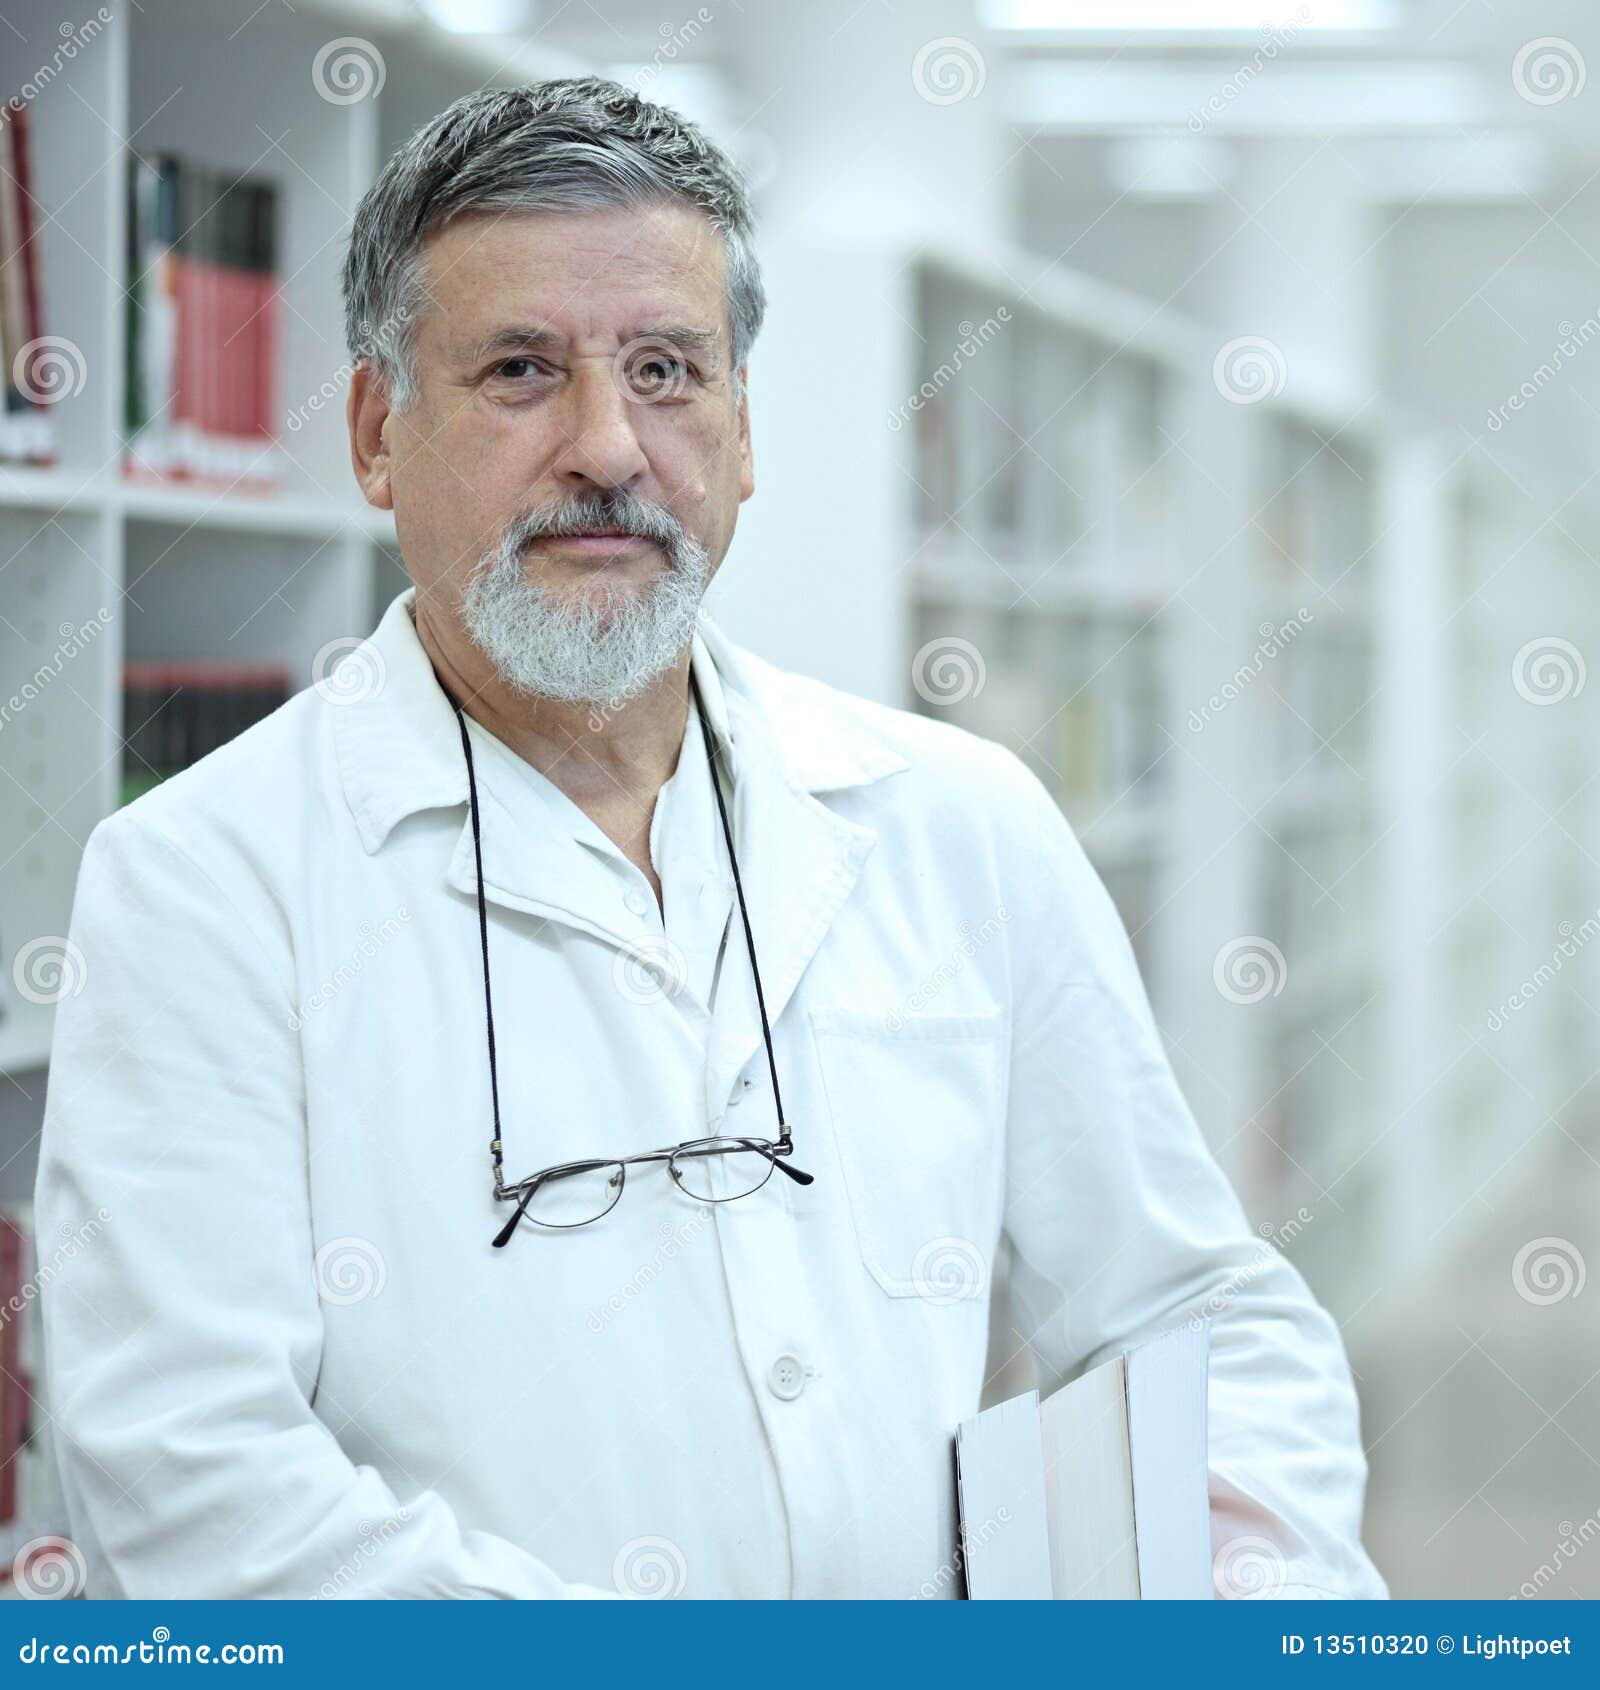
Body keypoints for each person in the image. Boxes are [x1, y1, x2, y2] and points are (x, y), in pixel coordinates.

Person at [34, 79, 1386, 1600]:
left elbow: (1196, 1313)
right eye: (520, 371)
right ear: (373, 433)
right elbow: (195, 1484)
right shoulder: (205, 883)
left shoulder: (960, 824)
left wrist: (1252, 1605)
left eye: (667, 370)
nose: (608, 447)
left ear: (742, 432)